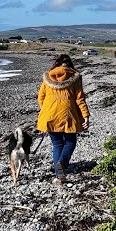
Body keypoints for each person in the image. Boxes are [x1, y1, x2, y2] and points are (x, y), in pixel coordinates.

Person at [36, 53, 90, 184]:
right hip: (68, 115)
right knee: (70, 142)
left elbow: (40, 98)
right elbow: (79, 99)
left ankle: (58, 175)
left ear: (56, 64)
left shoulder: (48, 77)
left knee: (57, 144)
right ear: (70, 64)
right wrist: (85, 115)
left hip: (49, 115)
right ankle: (63, 163)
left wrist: (48, 110)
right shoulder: (75, 77)